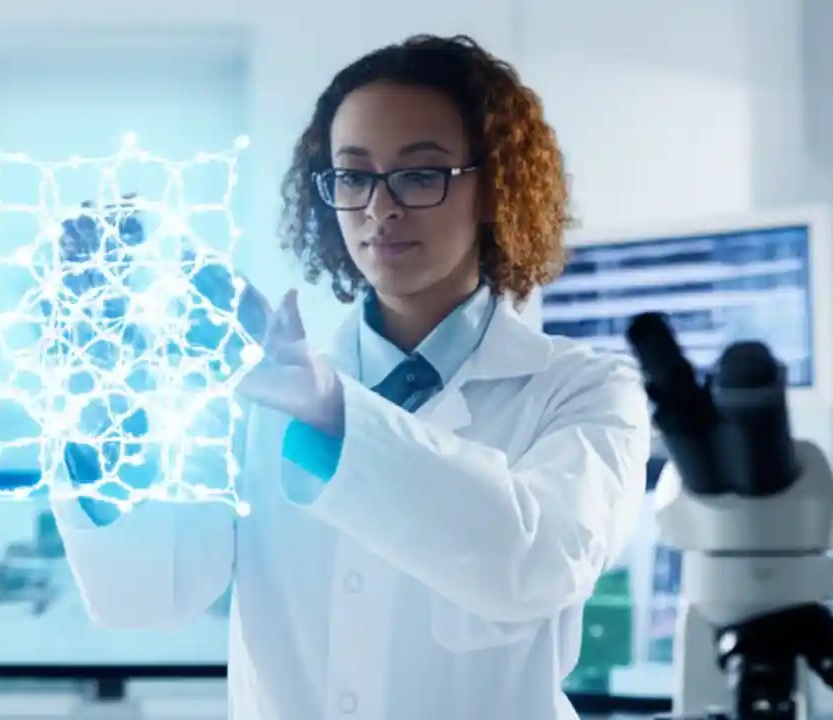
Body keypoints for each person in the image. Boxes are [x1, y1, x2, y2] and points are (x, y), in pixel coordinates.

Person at [50, 34, 652, 720]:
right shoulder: (257, 388)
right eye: (353, 176)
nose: (379, 208)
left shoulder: (583, 390)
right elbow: (146, 597)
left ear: (495, 188)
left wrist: (327, 410)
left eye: (420, 174)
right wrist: (102, 414)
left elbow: (539, 564)